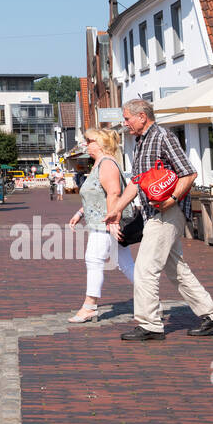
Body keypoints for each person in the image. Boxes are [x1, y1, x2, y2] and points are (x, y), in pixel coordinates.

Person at [113, 99, 213, 341]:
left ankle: (150, 325)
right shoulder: (140, 142)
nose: (125, 123)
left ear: (142, 116)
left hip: (165, 213)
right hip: (152, 213)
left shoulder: (163, 136)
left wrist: (172, 199)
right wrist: (116, 209)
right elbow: (136, 181)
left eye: (127, 118)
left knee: (145, 269)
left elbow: (189, 172)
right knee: (176, 269)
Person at [66, 128, 136, 323]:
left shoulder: (107, 163)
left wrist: (112, 220)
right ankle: (149, 298)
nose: (86, 144)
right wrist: (80, 212)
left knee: (94, 259)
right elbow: (97, 194)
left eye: (89, 141)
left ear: (101, 143)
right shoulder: (100, 163)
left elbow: (114, 193)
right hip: (104, 220)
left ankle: (89, 306)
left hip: (105, 222)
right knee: (125, 263)